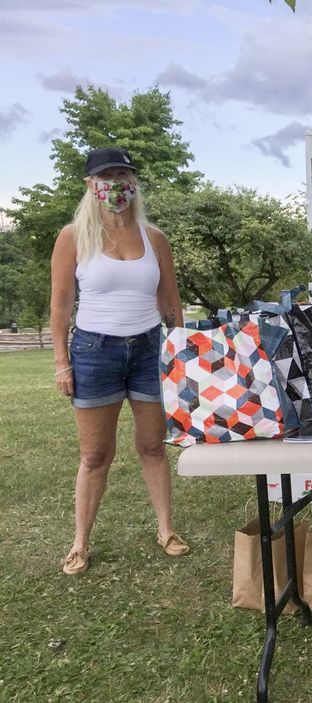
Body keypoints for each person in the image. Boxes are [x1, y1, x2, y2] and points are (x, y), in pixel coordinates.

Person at [50, 147, 189, 575]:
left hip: (149, 350)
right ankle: (80, 543)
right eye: (106, 176)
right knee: (95, 455)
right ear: (91, 186)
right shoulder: (74, 236)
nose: (116, 185)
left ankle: (166, 529)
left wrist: (180, 353)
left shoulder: (155, 238)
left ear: (135, 182)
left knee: (152, 446)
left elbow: (170, 301)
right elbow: (60, 304)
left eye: (123, 175)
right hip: (94, 353)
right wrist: (61, 362)